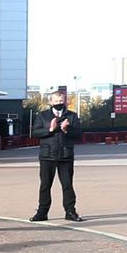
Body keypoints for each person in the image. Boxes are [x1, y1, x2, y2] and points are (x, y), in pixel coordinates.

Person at [30, 90, 84, 222]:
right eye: (56, 101)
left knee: (67, 185)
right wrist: (50, 129)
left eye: (61, 101)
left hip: (65, 155)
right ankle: (42, 212)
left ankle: (70, 212)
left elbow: (78, 133)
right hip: (47, 155)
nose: (59, 104)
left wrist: (67, 129)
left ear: (65, 101)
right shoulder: (43, 116)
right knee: (45, 185)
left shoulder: (71, 116)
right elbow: (35, 132)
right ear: (51, 102)